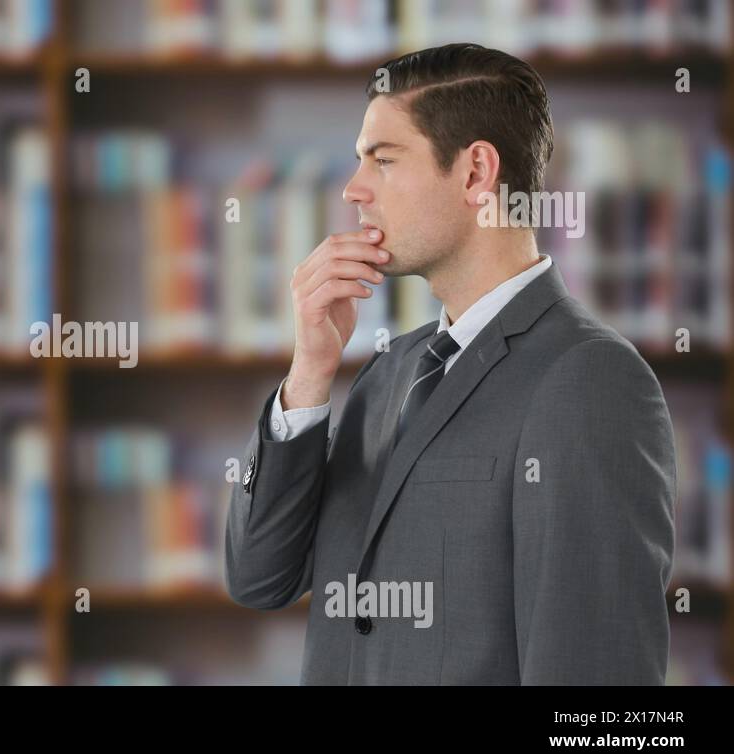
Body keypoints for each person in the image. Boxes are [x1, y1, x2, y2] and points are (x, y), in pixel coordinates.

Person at [224, 43, 677, 685]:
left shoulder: (590, 380)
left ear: (475, 174)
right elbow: (257, 577)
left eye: (383, 160)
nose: (354, 189)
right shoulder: (387, 375)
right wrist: (307, 376)